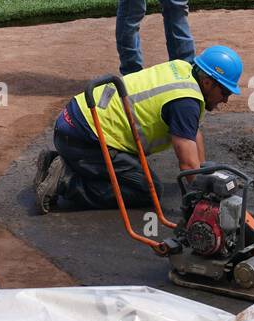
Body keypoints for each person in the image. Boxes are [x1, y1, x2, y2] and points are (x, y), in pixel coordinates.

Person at [33, 46, 243, 213]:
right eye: (224, 92)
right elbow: (187, 163)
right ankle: (65, 181)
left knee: (133, 173)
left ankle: (58, 163)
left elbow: (193, 133)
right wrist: (203, 197)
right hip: (84, 139)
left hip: (74, 123)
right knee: (146, 191)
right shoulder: (185, 102)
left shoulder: (184, 70)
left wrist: (205, 173)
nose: (225, 99)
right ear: (207, 82)